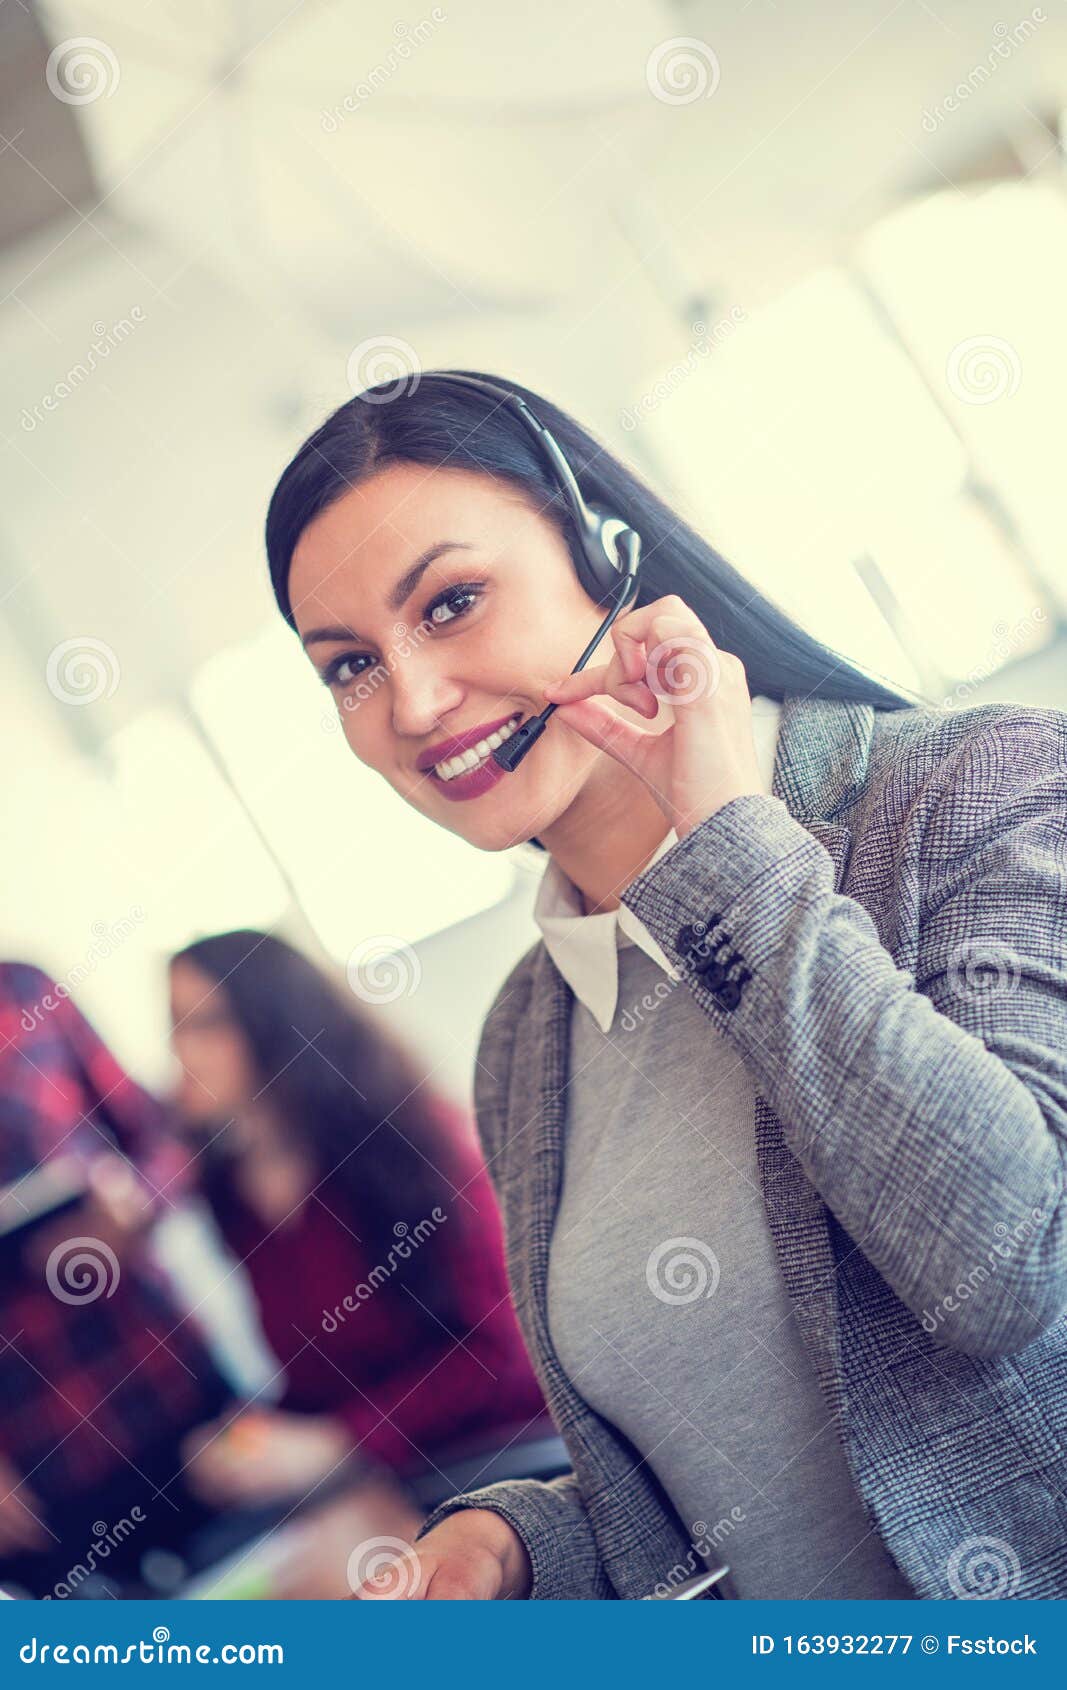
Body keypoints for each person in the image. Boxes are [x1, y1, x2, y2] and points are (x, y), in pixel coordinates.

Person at [261, 368, 1067, 1601]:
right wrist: (525, 1543)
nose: (413, 703)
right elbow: (720, 1477)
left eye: (453, 602)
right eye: (350, 666)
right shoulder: (525, 1040)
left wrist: (725, 846)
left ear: (609, 552)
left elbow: (1008, 1265)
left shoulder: (970, 793)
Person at [168, 929, 548, 1512]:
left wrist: (336, 1442)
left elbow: (498, 1357)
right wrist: (253, 1436)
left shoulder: (413, 1146)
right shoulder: (231, 1193)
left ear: (276, 1023)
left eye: (205, 1023)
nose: (180, 1051)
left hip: (501, 1465)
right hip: (379, 1484)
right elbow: (322, 1375)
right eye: (175, 1024)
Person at [0, 961, 239, 1598]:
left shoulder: (25, 991)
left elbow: (159, 1137)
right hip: (38, 1457)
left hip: (165, 1382)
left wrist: (138, 1205)